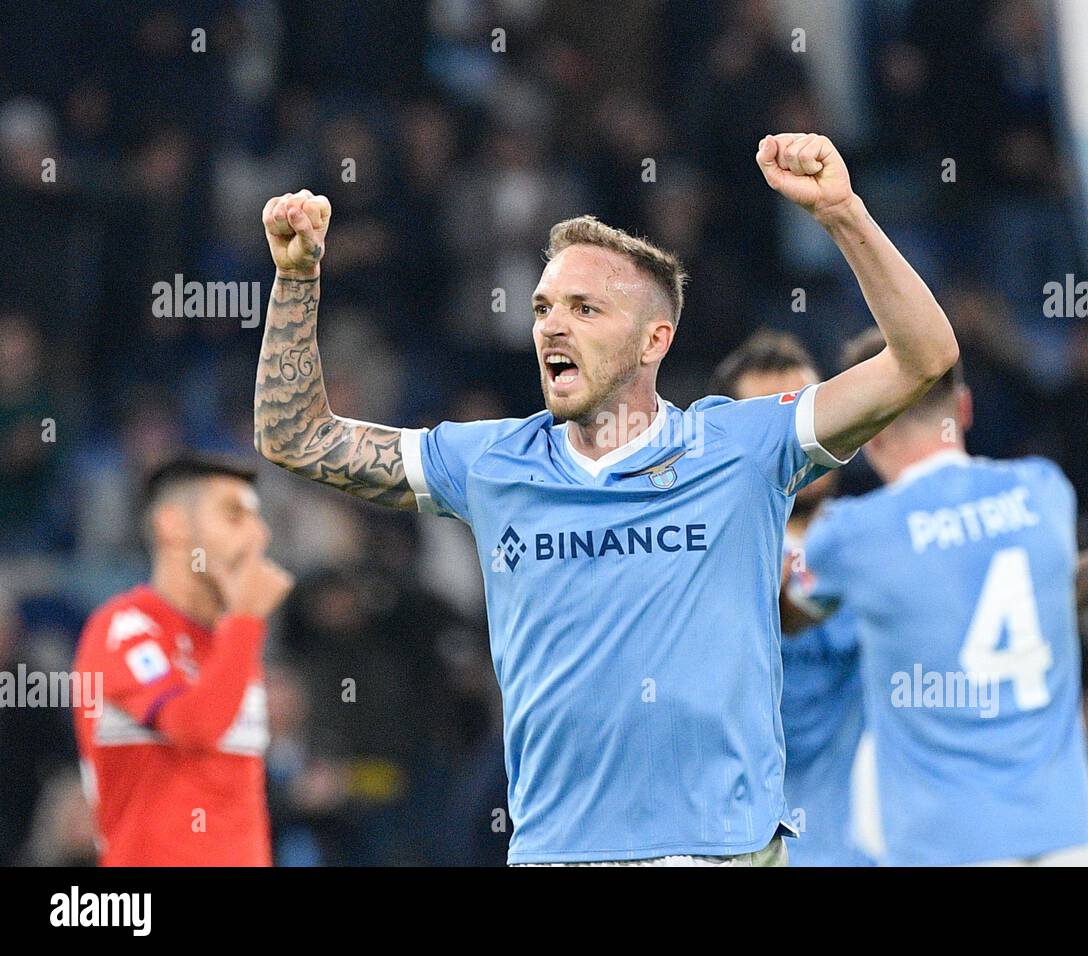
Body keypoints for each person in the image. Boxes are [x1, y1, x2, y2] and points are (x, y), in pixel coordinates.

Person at [253, 133, 959, 864]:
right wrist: (297, 276)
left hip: (720, 852)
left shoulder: (741, 449)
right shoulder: (492, 462)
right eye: (543, 307)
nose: (552, 324)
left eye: (586, 309)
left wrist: (842, 213)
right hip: (558, 854)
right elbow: (295, 437)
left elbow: (924, 358)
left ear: (655, 339)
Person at [787, 328, 1088, 866]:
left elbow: (784, 618)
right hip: (1068, 836)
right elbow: (1042, 590)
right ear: (965, 407)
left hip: (946, 843)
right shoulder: (1041, 490)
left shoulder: (853, 535)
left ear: (865, 434)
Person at [73, 453, 293, 866]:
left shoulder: (230, 641)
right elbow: (192, 727)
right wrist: (246, 619)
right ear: (171, 525)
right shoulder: (122, 627)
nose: (258, 535)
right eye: (234, 515)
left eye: (256, 518)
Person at [710, 330, 871, 866]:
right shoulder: (685, 560)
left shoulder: (877, 542)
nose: (793, 442)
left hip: (859, 849)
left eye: (803, 417)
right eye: (767, 424)